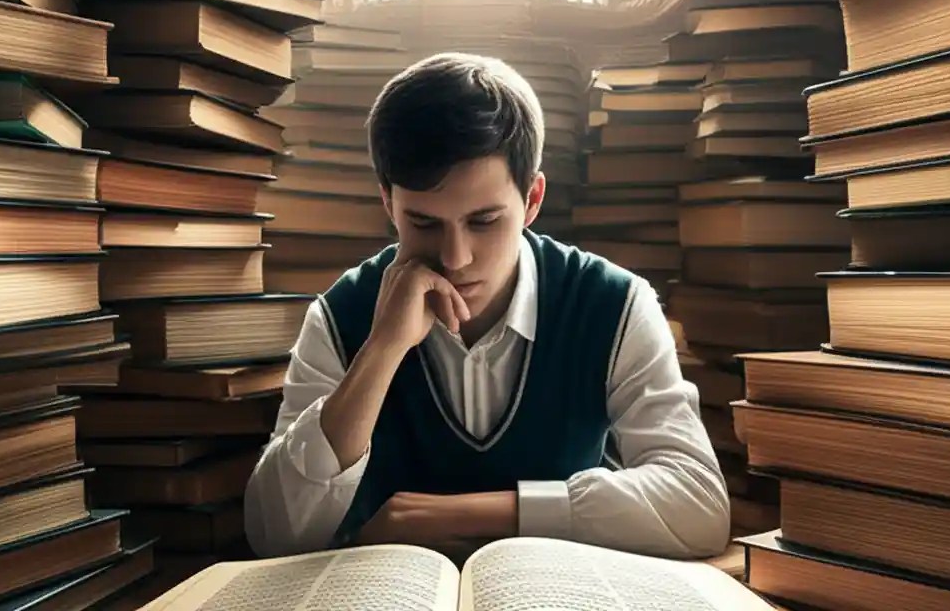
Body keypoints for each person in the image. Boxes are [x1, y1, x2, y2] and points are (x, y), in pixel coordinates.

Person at [244, 52, 730, 561]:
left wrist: (484, 513)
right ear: (388, 203)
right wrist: (382, 348)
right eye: (424, 224)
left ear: (533, 199)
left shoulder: (615, 303)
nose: (456, 259)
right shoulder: (340, 314)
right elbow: (275, 536)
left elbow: (700, 506)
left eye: (484, 221)